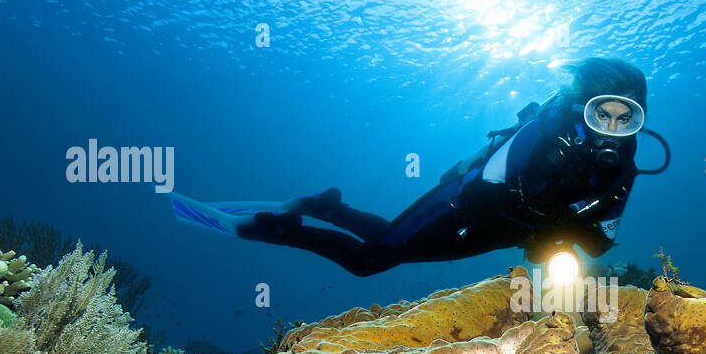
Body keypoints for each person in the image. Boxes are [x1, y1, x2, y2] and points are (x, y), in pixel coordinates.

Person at [170, 57, 669, 277]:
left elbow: (602, 237)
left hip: (498, 235)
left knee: (386, 241)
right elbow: (490, 182)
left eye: (626, 119)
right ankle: (259, 228)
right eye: (602, 112)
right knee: (372, 261)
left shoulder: (622, 167)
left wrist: (563, 237)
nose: (611, 127)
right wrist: (552, 201)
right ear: (584, 106)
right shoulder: (547, 131)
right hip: (461, 203)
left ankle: (322, 206)